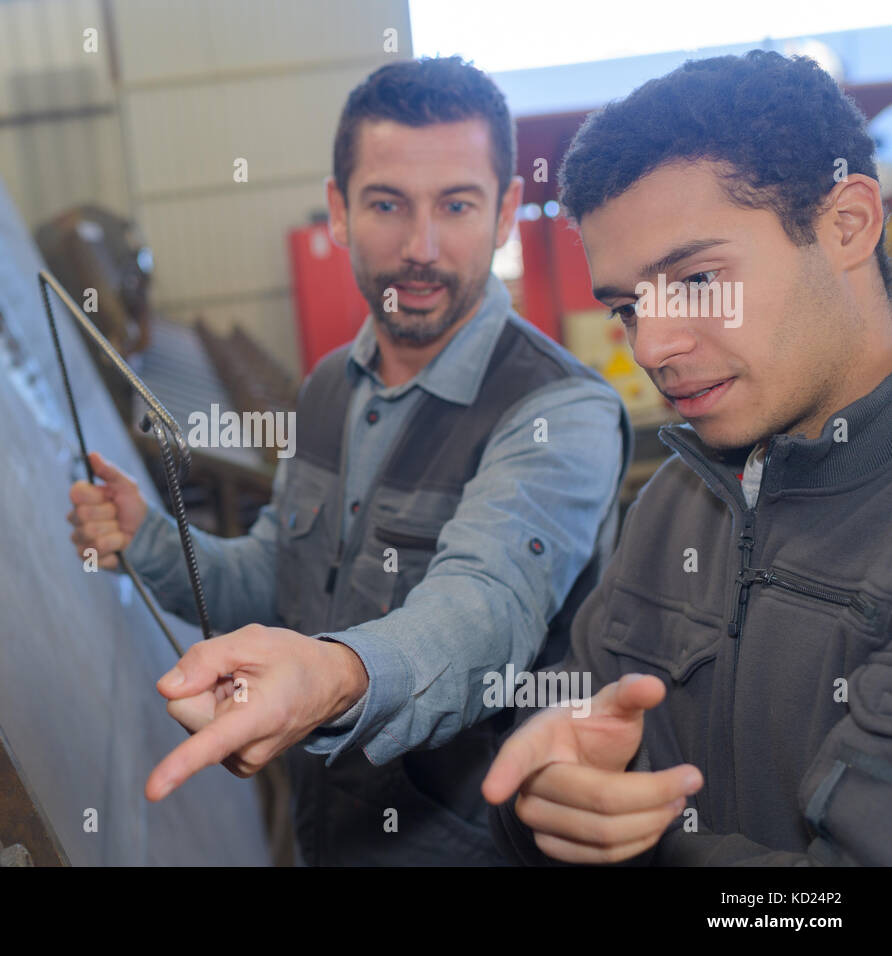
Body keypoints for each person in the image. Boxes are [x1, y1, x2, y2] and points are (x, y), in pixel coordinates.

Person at [69, 57, 629, 865]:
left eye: (458, 204)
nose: (421, 247)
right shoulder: (330, 385)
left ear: (506, 210)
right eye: (388, 204)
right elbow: (272, 575)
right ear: (339, 211)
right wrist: (147, 539)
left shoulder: (559, 412)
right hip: (326, 834)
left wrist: (331, 679)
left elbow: (488, 605)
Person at [483, 50, 892, 866]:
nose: (653, 346)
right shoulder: (676, 498)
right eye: (628, 306)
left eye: (699, 280)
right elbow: (576, 711)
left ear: (847, 224)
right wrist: (542, 792)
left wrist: (643, 850)